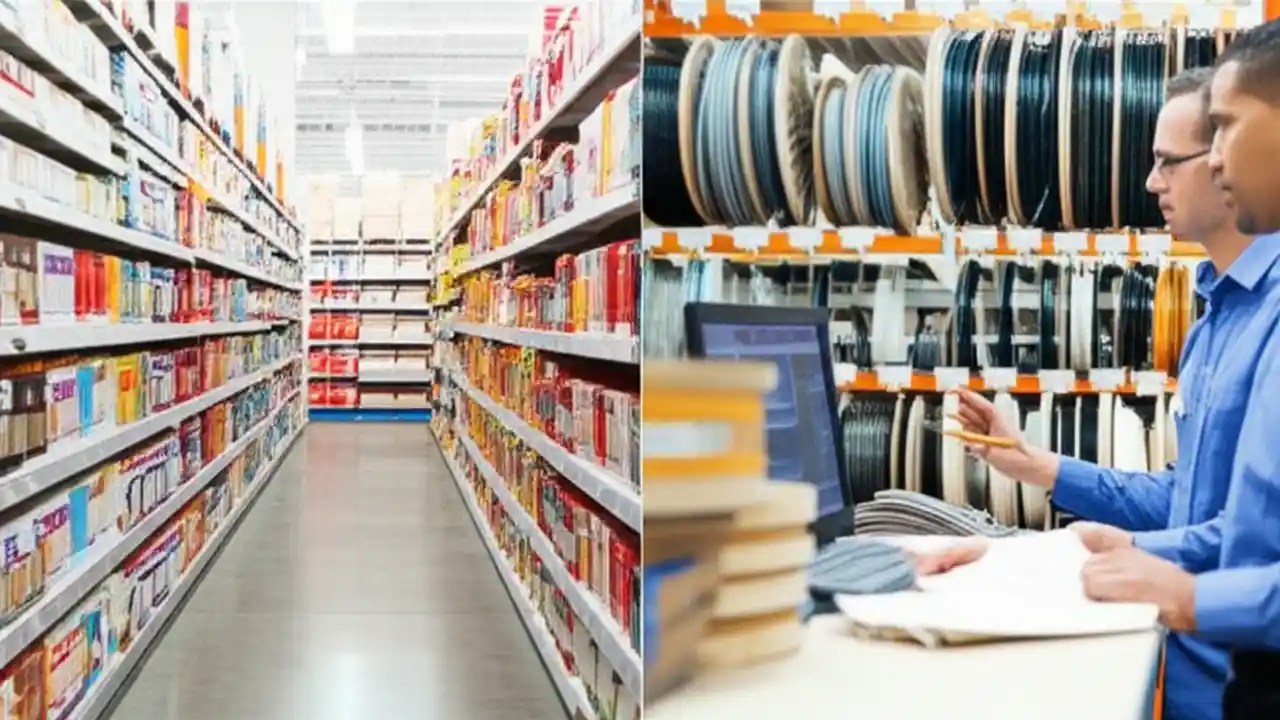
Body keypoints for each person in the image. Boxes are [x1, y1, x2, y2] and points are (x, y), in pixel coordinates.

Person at [949, 65, 1278, 720]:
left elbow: (1250, 536)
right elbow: (1190, 500)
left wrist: (1132, 555)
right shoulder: (1213, 320)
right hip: (1189, 673)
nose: (1152, 182)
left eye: (1168, 161)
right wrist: (1037, 466)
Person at [1077, 19, 1280, 720]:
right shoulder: (1214, 318)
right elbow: (1229, 515)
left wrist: (1188, 594)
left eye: (1224, 127)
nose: (1217, 160)